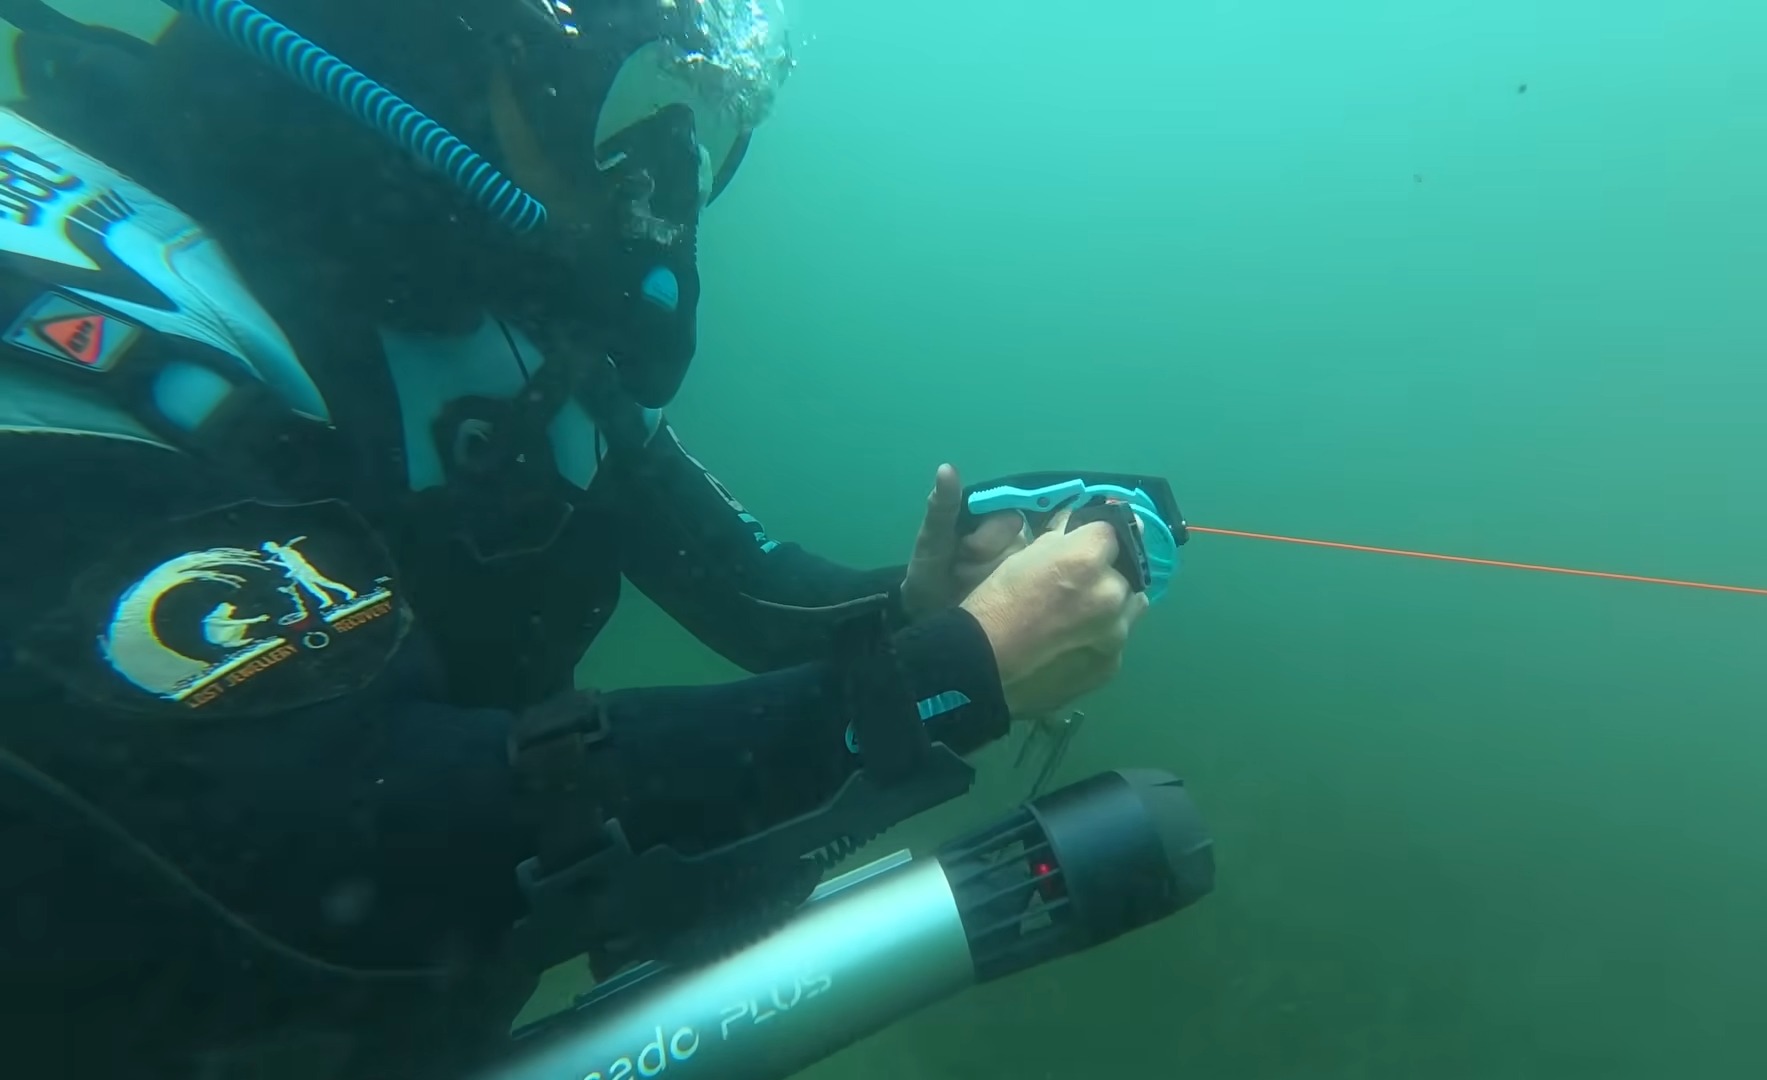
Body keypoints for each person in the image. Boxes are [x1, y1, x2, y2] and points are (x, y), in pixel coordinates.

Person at [0, 1, 1149, 1076]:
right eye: (634, 109)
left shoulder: (513, 321)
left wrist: (919, 605)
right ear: (467, 43)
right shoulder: (68, 290)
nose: (661, 196)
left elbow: (743, 585)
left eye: (694, 133)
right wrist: (950, 675)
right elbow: (336, 822)